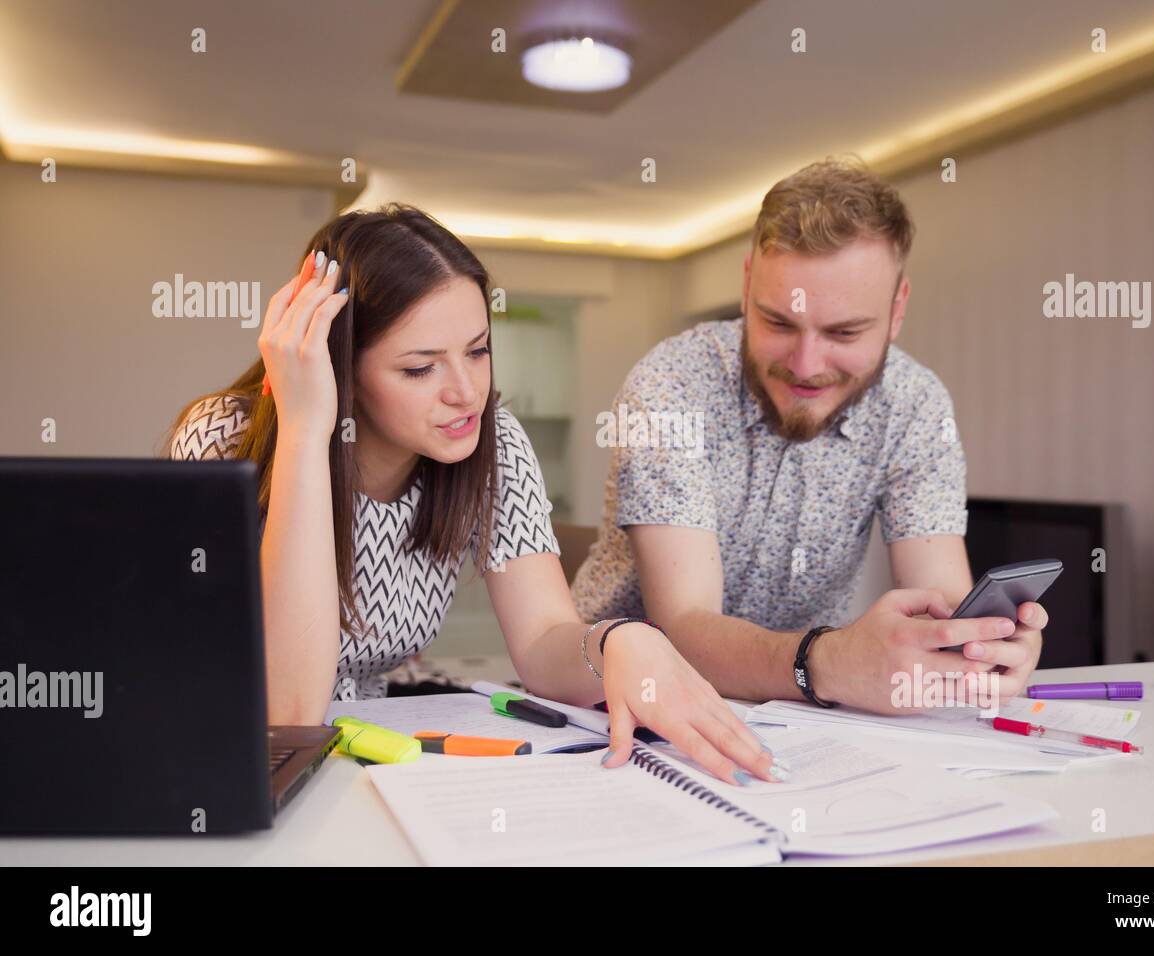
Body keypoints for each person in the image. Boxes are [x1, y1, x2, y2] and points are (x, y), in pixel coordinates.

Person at [168, 204, 781, 785]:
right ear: (335, 366)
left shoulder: (494, 442)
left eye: (479, 350)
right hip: (219, 758)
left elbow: (543, 645)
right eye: (420, 368)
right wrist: (307, 428)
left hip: (366, 752)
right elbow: (290, 712)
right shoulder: (225, 438)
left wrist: (616, 641)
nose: (468, 393)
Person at [573, 157, 1047, 712]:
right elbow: (682, 628)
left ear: (897, 311)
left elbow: (941, 599)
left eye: (844, 331)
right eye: (778, 323)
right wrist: (830, 662)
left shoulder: (916, 405)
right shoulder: (671, 385)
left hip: (797, 713)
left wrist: (978, 646)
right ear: (748, 284)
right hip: (607, 704)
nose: (805, 363)